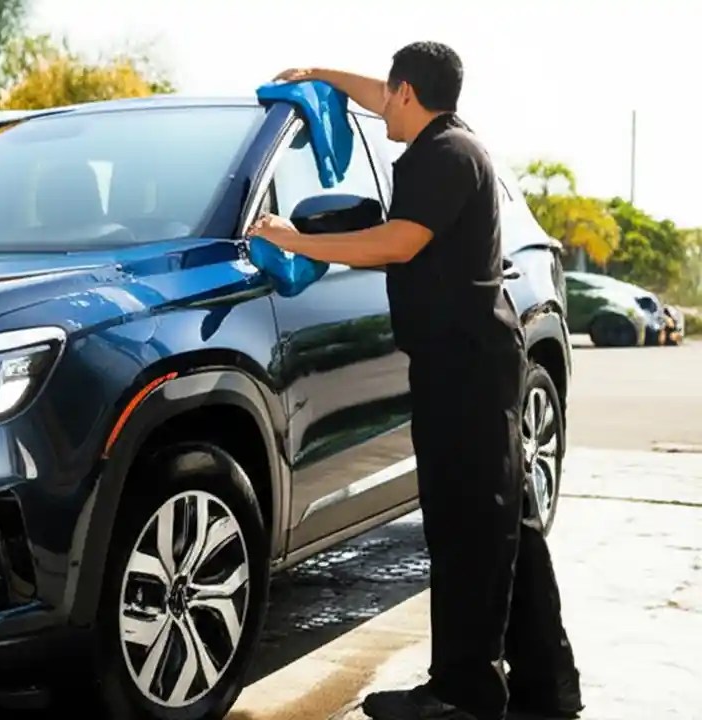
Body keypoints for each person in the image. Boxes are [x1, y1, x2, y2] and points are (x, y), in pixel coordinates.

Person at [247, 43, 583, 720]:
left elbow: (395, 243)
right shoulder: (449, 138)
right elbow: (379, 94)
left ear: (409, 93)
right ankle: (548, 685)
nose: (381, 109)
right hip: (468, 365)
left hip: (465, 371)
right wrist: (317, 74)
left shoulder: (445, 157)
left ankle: (462, 695)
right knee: (502, 525)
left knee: (466, 533)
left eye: (389, 97)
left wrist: (294, 239)